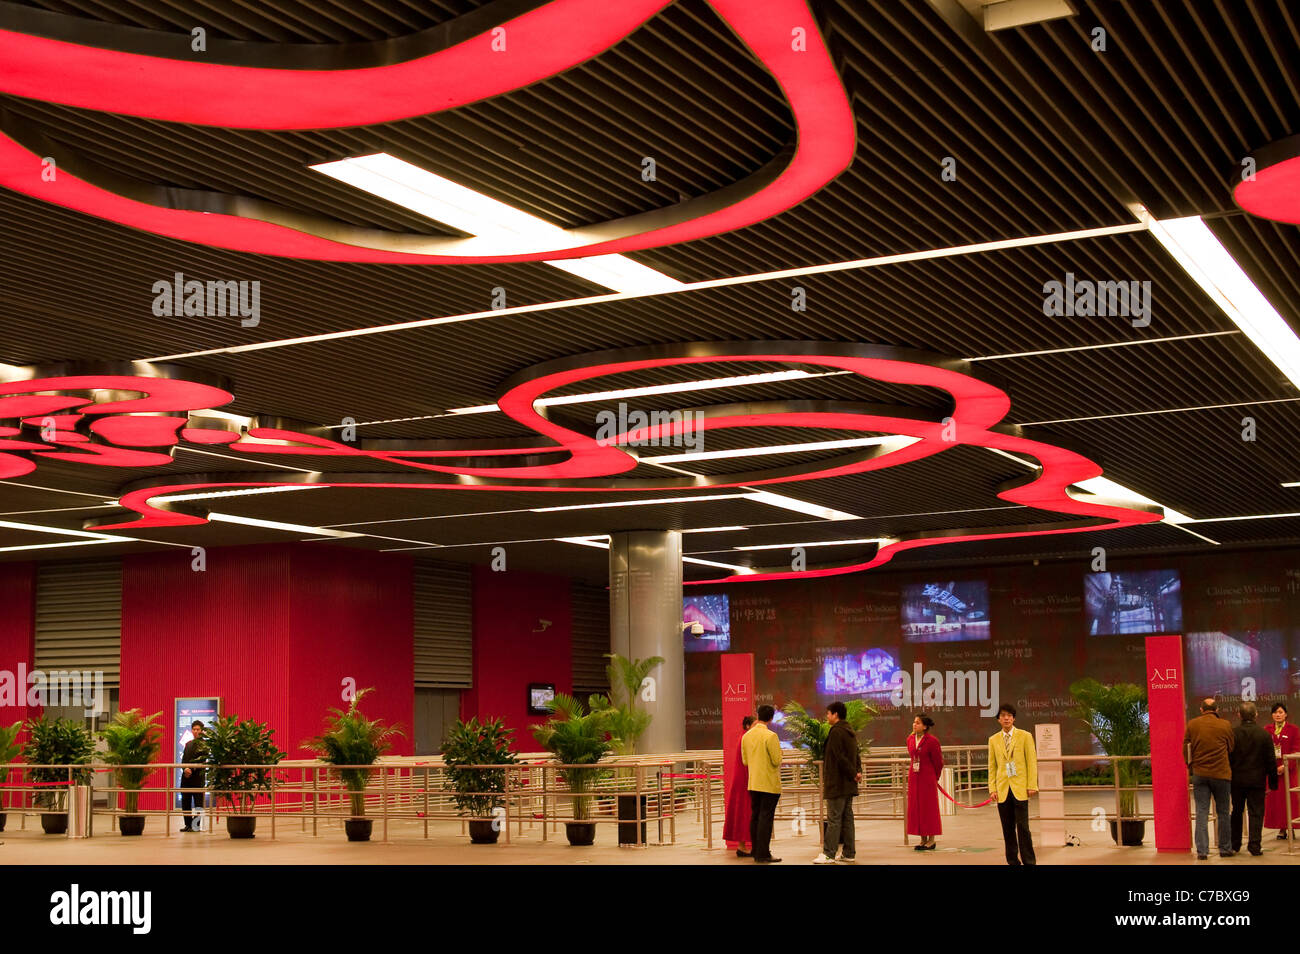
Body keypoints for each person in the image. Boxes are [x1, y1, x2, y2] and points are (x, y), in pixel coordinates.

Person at [1184, 697, 1235, 859]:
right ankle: (1225, 849)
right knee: (1223, 812)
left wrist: (1191, 767)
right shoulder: (1225, 725)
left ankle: (1202, 851)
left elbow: (1185, 749)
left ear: (1201, 709)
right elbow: (1231, 747)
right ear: (1217, 709)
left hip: (1200, 774)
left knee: (1201, 812)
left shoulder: (1192, 724)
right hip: (1221, 774)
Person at [987, 703, 1036, 865]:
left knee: (1023, 828)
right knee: (1007, 829)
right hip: (1002, 789)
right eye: (1003, 715)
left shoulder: (1025, 736)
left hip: (1020, 788)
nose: (1006, 718)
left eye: (1009, 715)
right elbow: (992, 766)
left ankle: (1029, 861)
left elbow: (1031, 762)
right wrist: (992, 788)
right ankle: (1012, 860)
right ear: (998, 719)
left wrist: (1032, 785)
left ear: (1014, 718)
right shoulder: (993, 740)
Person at [814, 701, 860, 864]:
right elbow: (856, 755)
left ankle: (829, 853)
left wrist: (853, 772)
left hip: (837, 783)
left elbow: (839, 757)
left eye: (828, 713)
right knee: (847, 818)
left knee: (834, 818)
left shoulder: (836, 732)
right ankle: (849, 853)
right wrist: (856, 773)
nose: (827, 716)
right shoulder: (849, 731)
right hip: (848, 783)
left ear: (835, 714)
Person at [1229, 702, 1277, 857]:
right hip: (1257, 781)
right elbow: (1271, 760)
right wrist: (1273, 782)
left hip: (1236, 780)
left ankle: (1234, 844)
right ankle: (1254, 846)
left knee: (1236, 811)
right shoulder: (1263, 734)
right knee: (1256, 813)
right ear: (1256, 715)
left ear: (1239, 715)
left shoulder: (1233, 733)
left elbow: (1228, 757)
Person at [741, 704, 783, 864]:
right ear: (771, 718)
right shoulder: (770, 736)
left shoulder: (747, 736)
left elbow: (745, 761)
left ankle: (756, 851)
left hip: (753, 783)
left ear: (758, 715)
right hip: (769, 784)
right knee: (766, 818)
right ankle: (763, 854)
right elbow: (776, 760)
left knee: (756, 817)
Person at [907, 714, 944, 851]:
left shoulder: (932, 741)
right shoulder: (910, 739)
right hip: (914, 777)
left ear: (925, 726)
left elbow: (938, 762)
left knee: (929, 808)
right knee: (916, 808)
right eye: (914, 722)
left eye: (918, 722)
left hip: (927, 778)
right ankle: (922, 838)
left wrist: (935, 777)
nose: (914, 724)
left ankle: (931, 839)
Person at [1264, 702, 1300, 839]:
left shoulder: (1293, 729)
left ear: (1285, 714)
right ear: (1272, 715)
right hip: (1273, 772)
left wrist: (1285, 766)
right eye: (1275, 712)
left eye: (1280, 712)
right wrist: (1272, 767)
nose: (1278, 715)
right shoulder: (1267, 729)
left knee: (1289, 800)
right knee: (1276, 802)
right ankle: (1281, 828)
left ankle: (1291, 827)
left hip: (1288, 772)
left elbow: (1296, 750)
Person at [724, 715, 756, 857]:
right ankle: (743, 846)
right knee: (744, 813)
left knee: (742, 813)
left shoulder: (744, 738)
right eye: (755, 725)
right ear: (748, 726)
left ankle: (743, 846)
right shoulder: (747, 739)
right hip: (745, 780)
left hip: (743, 779)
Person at [179, 720, 206, 833]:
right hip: (186, 778)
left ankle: (196, 825)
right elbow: (184, 760)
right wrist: (185, 769)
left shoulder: (205, 745)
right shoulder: (188, 744)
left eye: (198, 729)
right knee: (186, 802)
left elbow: (202, 761)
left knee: (198, 803)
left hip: (198, 778)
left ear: (202, 731)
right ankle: (187, 824)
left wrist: (192, 769)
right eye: (194, 729)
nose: (196, 731)